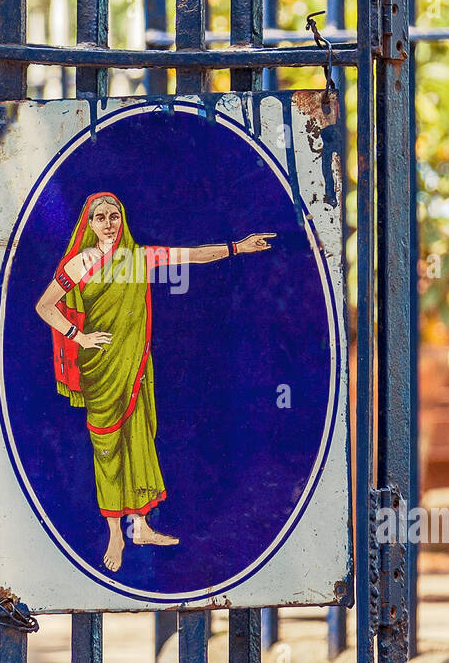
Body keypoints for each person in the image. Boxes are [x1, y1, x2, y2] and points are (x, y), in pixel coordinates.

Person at [33, 191, 274, 572]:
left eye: (114, 215)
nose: (109, 223)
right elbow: (44, 305)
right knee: (107, 447)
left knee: (139, 438)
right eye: (101, 217)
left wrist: (236, 248)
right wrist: (78, 336)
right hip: (100, 369)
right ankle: (115, 532)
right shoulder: (80, 264)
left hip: (135, 367)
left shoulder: (136, 259)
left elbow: (192, 255)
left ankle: (140, 526)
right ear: (90, 224)